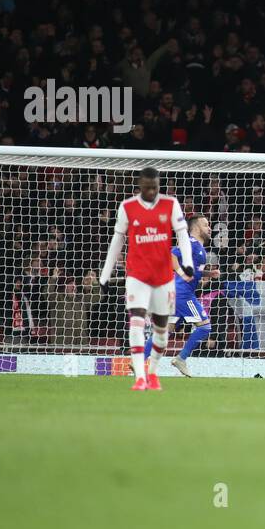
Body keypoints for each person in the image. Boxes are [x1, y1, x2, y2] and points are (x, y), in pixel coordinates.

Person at [98, 167, 194, 391]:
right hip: (137, 276)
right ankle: (140, 377)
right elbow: (117, 241)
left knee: (161, 331)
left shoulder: (170, 204)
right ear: (139, 186)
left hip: (163, 278)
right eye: (147, 187)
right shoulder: (127, 207)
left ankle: (153, 373)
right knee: (137, 322)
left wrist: (187, 261)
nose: (152, 191)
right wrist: (105, 275)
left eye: (155, 187)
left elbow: (182, 234)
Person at [144, 214, 218, 377]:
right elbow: (172, 255)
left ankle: (139, 359)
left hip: (176, 293)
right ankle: (181, 358)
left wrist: (208, 273)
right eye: (206, 225)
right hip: (183, 293)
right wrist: (180, 272)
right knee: (205, 327)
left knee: (164, 332)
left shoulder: (199, 248)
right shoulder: (191, 243)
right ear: (197, 228)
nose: (209, 228)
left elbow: (193, 270)